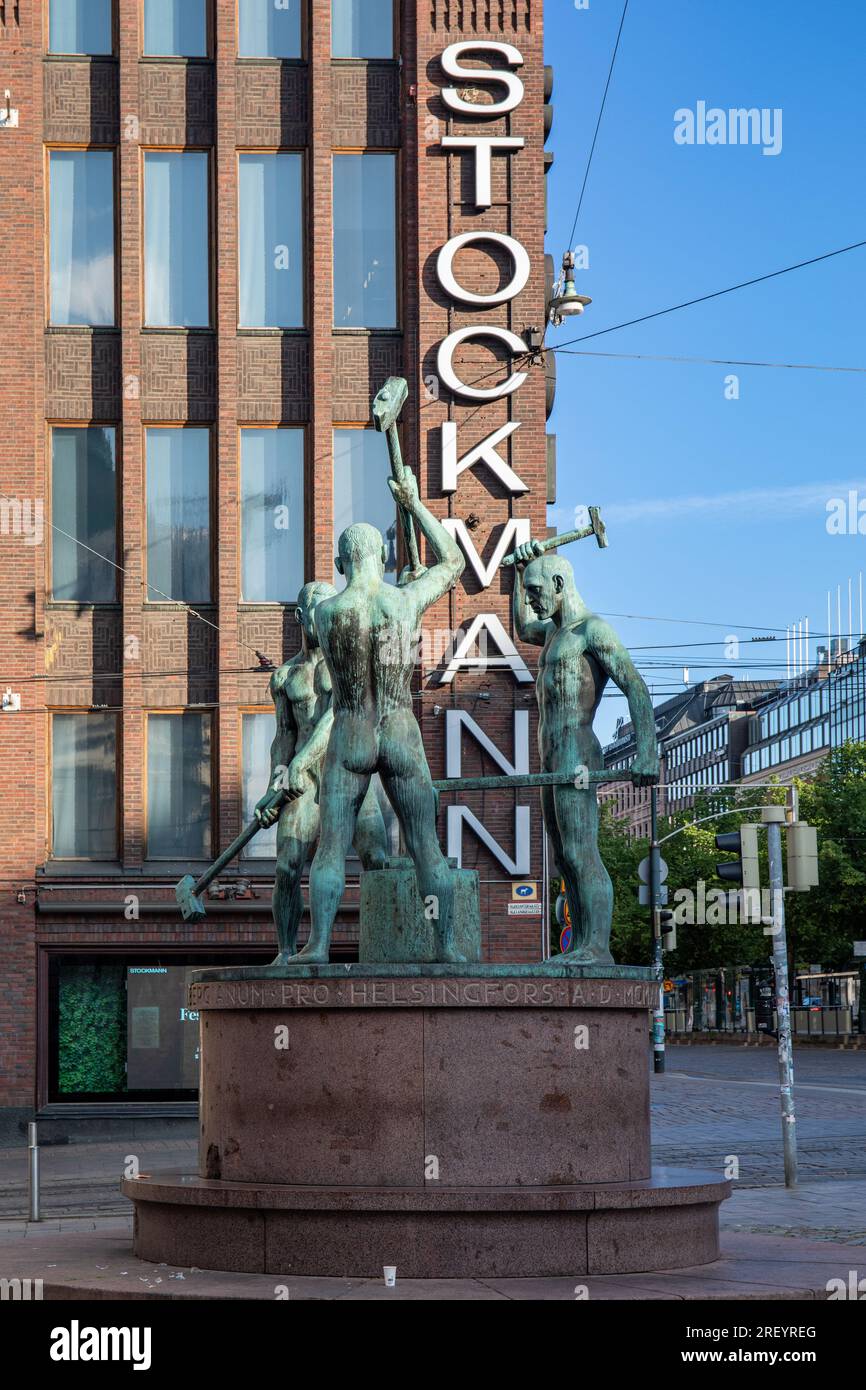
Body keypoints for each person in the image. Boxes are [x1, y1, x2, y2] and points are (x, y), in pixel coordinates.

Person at [288, 471, 465, 963]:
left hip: (350, 732)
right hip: (399, 728)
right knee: (426, 846)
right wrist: (413, 503)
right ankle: (445, 946)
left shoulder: (325, 613)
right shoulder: (404, 600)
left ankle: (318, 945)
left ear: (341, 563)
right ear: (383, 558)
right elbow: (453, 561)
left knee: (330, 848)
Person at [512, 542, 659, 964]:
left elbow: (635, 686)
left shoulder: (592, 630)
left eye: (535, 590)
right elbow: (522, 628)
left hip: (577, 752)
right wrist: (518, 570)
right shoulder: (552, 632)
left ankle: (598, 947)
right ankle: (580, 945)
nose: (530, 599)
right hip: (550, 758)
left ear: (559, 584)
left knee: (581, 852)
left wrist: (647, 752)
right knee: (561, 857)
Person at [254, 582, 388, 965]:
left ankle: (388, 949)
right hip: (303, 783)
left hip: (348, 771)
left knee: (376, 858)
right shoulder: (284, 677)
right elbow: (283, 737)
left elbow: (334, 719)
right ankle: (285, 952)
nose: (320, 615)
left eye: (326, 607)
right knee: (287, 865)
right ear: (299, 616)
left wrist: (299, 762)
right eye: (313, 608)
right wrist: (273, 788)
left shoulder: (348, 665)